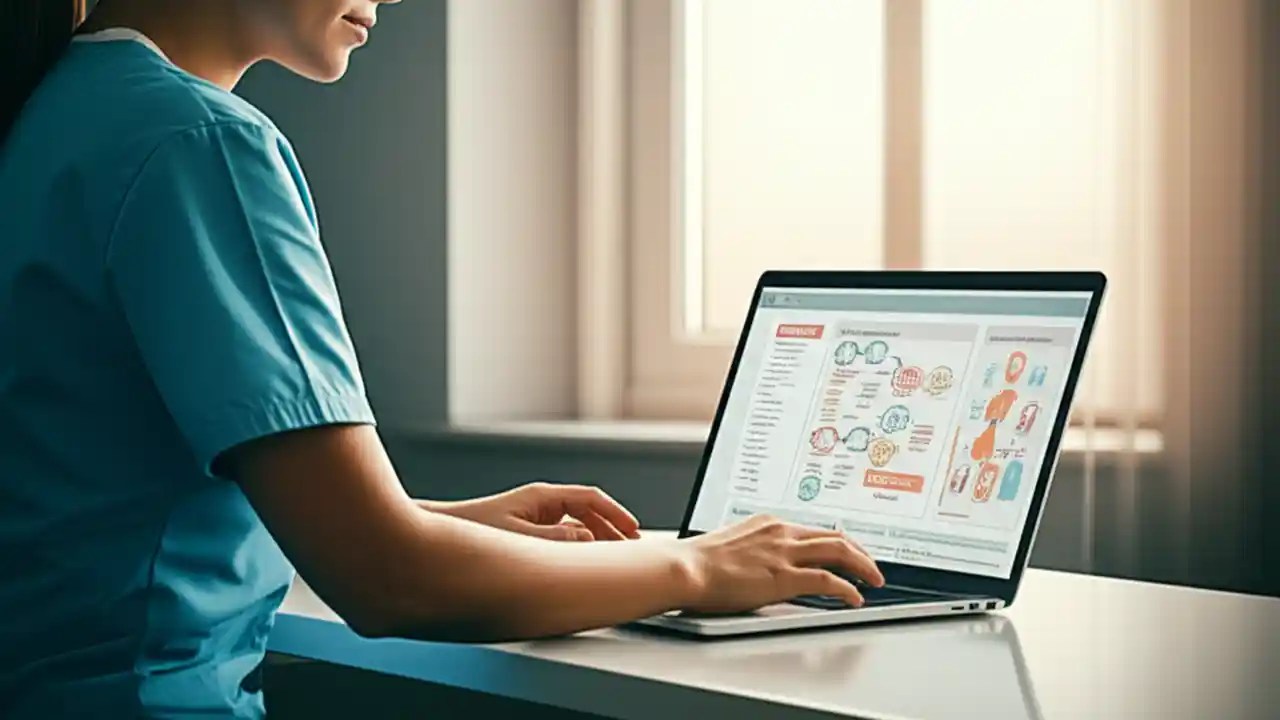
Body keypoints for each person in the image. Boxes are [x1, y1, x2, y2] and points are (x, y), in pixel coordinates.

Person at [0, 1, 883, 716]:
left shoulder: (60, 112)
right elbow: (387, 579)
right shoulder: (200, 144)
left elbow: (103, 496)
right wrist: (699, 567)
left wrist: (429, 518)